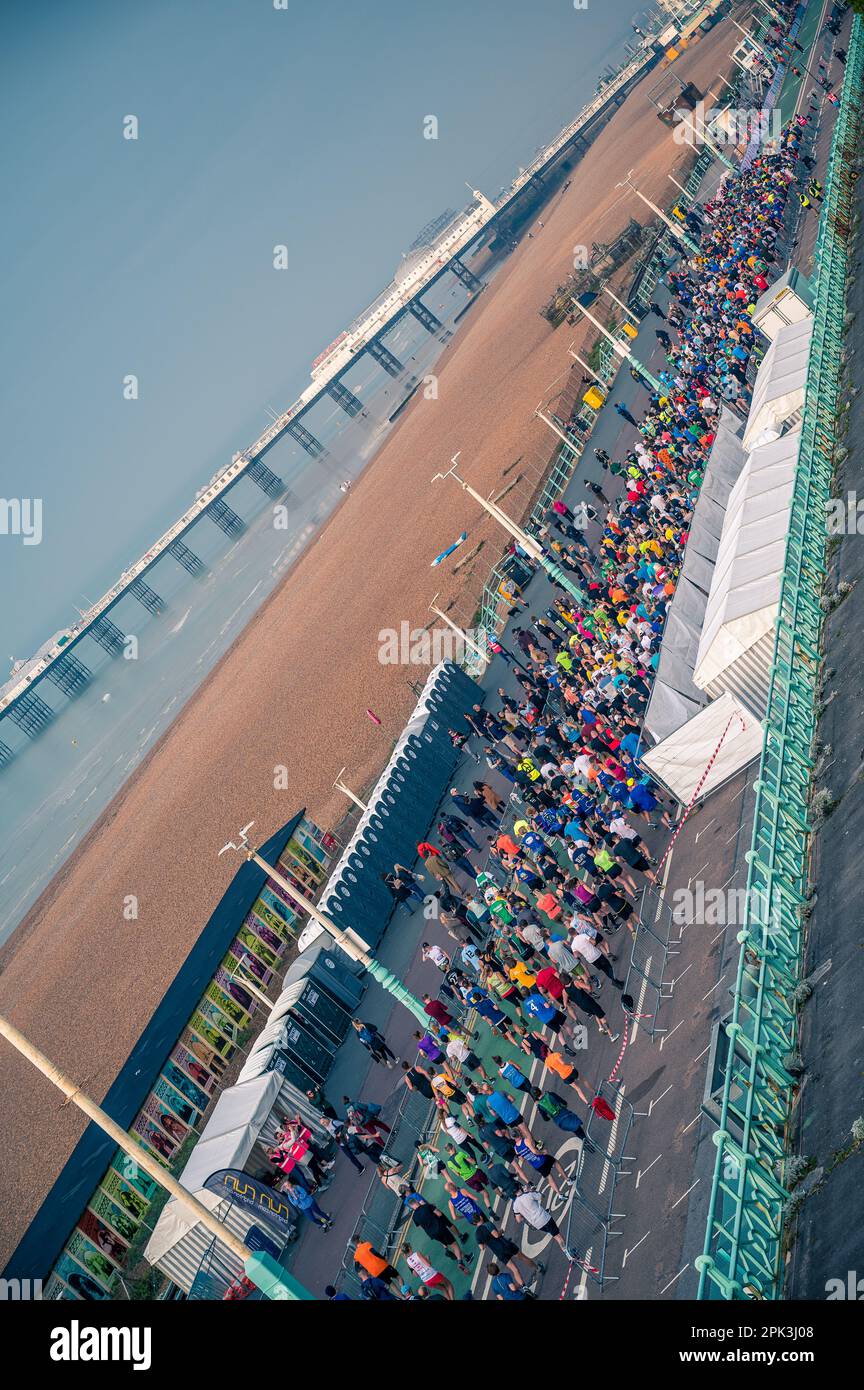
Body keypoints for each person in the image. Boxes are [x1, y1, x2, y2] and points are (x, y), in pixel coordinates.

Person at [512, 1185, 574, 1259]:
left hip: (537, 1225)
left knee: (555, 1235)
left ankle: (568, 1252)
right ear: (520, 1188)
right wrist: (532, 1191)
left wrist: (525, 1213)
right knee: (558, 1236)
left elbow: (518, 1219)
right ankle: (569, 1255)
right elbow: (542, 1196)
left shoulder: (515, 1205)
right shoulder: (528, 1194)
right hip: (544, 1218)